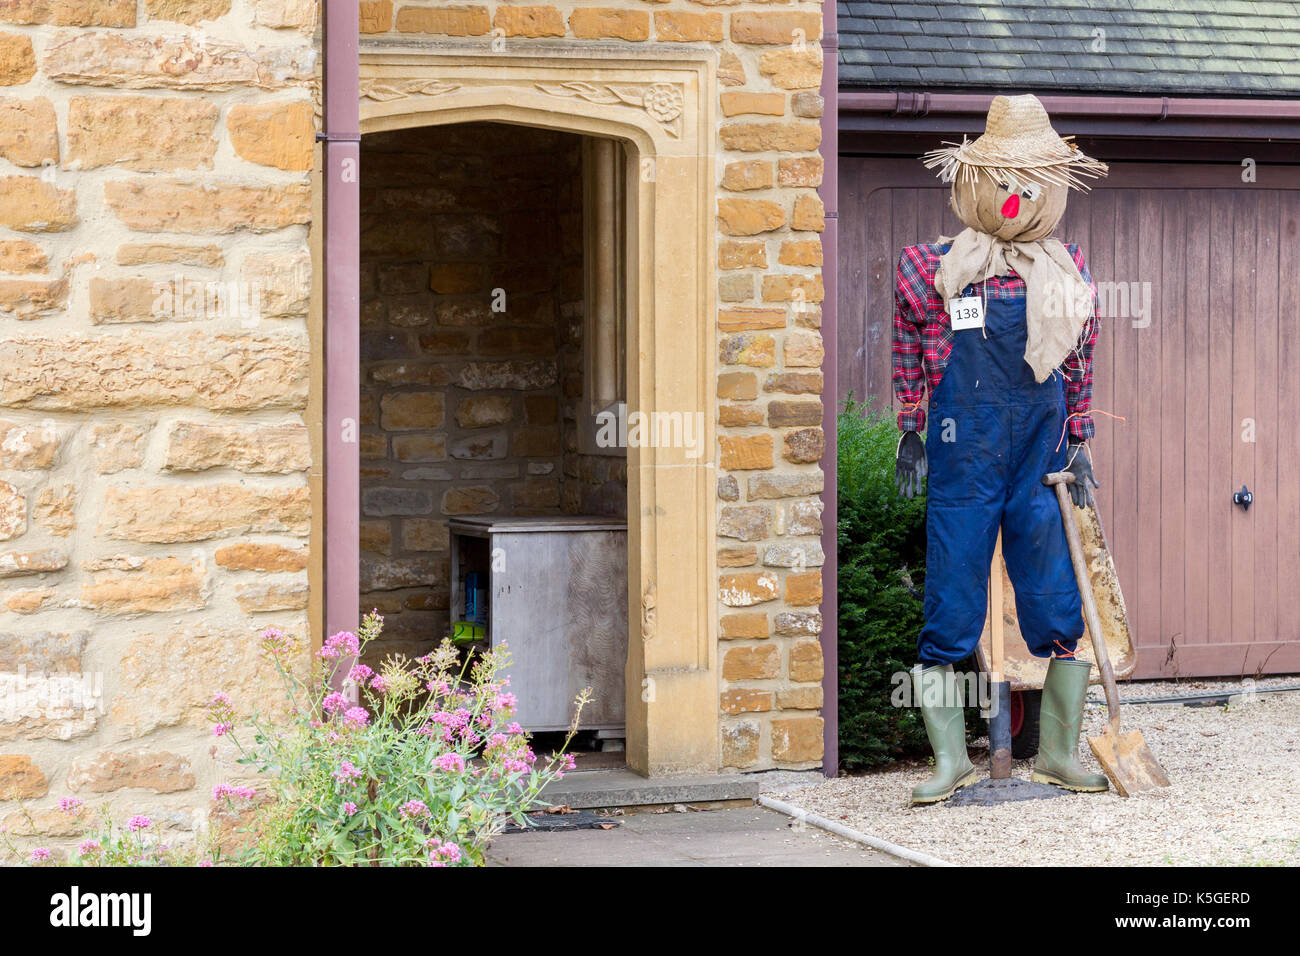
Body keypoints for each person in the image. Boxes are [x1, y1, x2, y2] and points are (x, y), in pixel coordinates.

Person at [892, 95, 1110, 804]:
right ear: (974, 182)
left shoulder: (1066, 269)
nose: (1015, 197)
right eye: (1003, 181)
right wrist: (911, 431)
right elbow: (910, 356)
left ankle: (1056, 755)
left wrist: (1078, 440)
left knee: (1053, 598)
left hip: (1040, 462)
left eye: (1030, 183)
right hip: (962, 458)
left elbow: (1077, 362)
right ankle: (952, 761)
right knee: (952, 600)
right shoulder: (932, 268)